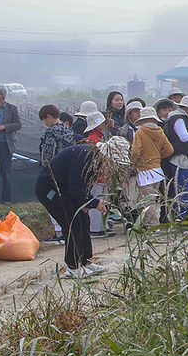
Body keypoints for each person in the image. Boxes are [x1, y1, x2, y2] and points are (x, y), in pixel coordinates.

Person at [35, 140, 127, 278]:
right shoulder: (84, 156)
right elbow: (75, 187)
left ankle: (86, 262)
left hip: (65, 189)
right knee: (73, 223)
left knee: (84, 220)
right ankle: (72, 267)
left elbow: (85, 186)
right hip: (50, 189)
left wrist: (87, 203)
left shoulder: (95, 160)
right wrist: (94, 203)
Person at [37, 104, 77, 242]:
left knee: (53, 200)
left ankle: (58, 232)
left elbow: (47, 157)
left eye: (44, 120)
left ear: (49, 117)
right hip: (68, 172)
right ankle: (66, 231)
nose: (45, 123)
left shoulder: (51, 133)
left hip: (53, 174)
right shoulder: (68, 131)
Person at [129, 106, 173, 228]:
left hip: (145, 171)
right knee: (153, 199)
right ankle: (149, 223)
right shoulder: (160, 132)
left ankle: (153, 225)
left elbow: (136, 151)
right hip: (157, 170)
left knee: (147, 201)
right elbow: (169, 149)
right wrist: (158, 156)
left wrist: (134, 163)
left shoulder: (140, 133)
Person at [164, 97, 188, 221]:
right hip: (181, 160)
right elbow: (184, 137)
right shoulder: (179, 119)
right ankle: (183, 216)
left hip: (184, 159)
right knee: (184, 188)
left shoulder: (178, 119)